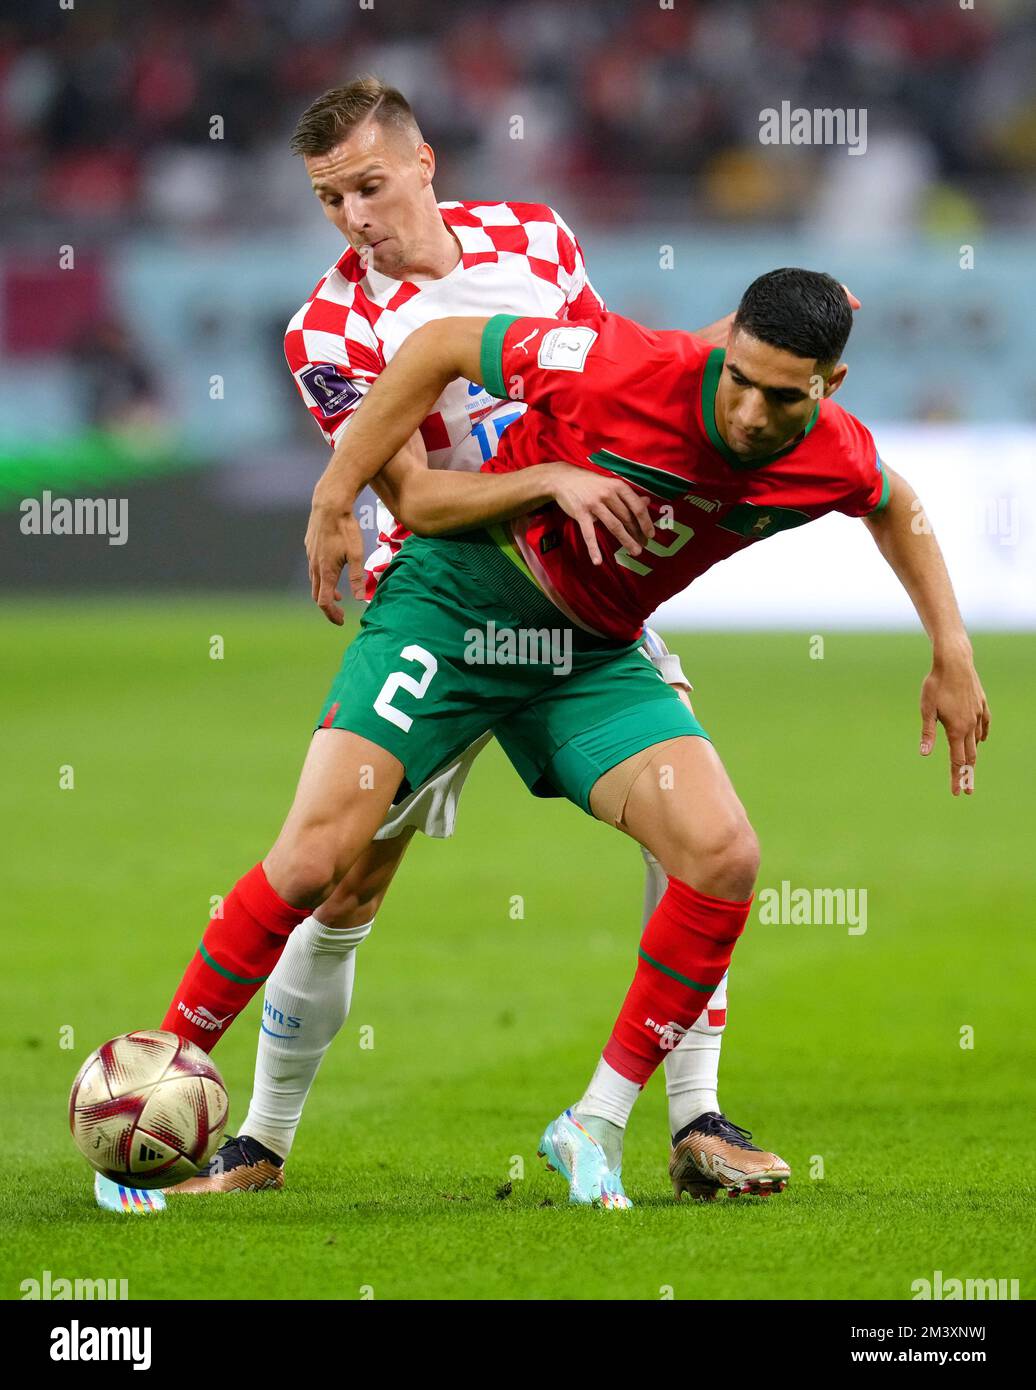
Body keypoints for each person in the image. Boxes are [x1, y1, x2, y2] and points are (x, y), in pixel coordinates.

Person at [184, 266, 990, 1208]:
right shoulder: (622, 368)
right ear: (724, 352)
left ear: (828, 388)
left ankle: (599, 1121)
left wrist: (953, 647)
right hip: (459, 601)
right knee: (324, 862)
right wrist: (335, 491)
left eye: (783, 395)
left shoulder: (831, 452)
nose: (751, 412)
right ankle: (167, 1092)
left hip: (587, 654)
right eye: (740, 379)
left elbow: (896, 502)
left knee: (721, 853)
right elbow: (443, 345)